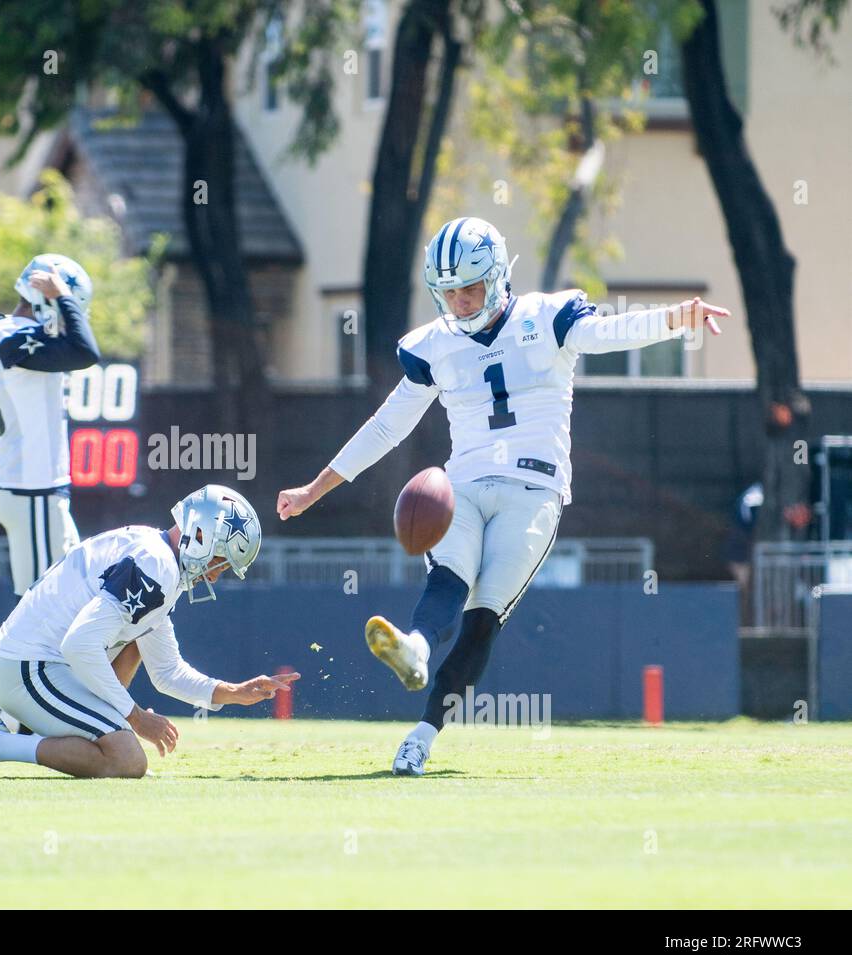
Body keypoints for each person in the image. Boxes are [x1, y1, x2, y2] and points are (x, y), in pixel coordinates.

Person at [276, 216, 729, 776]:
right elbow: (386, 426)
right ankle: (415, 648)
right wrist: (315, 488)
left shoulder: (548, 317)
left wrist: (676, 318)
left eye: (470, 287)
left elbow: (611, 334)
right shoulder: (434, 346)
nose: (462, 302)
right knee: (450, 577)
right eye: (450, 292)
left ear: (496, 277)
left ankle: (422, 736)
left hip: (534, 488)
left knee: (483, 616)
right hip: (460, 486)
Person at [0, 486, 299, 779]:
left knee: (133, 653)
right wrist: (135, 717)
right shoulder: (156, 565)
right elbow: (80, 644)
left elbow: (167, 671)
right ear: (200, 535)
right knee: (126, 760)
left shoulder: (158, 560)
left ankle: (15, 730)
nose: (217, 574)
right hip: (29, 667)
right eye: (220, 560)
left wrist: (233, 692)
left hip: (42, 666)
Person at [0, 253, 99, 598]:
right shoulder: (14, 340)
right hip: (33, 490)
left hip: (31, 489)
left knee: (80, 593)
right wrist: (63, 298)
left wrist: (59, 301)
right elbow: (86, 351)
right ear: (45, 303)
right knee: (43, 608)